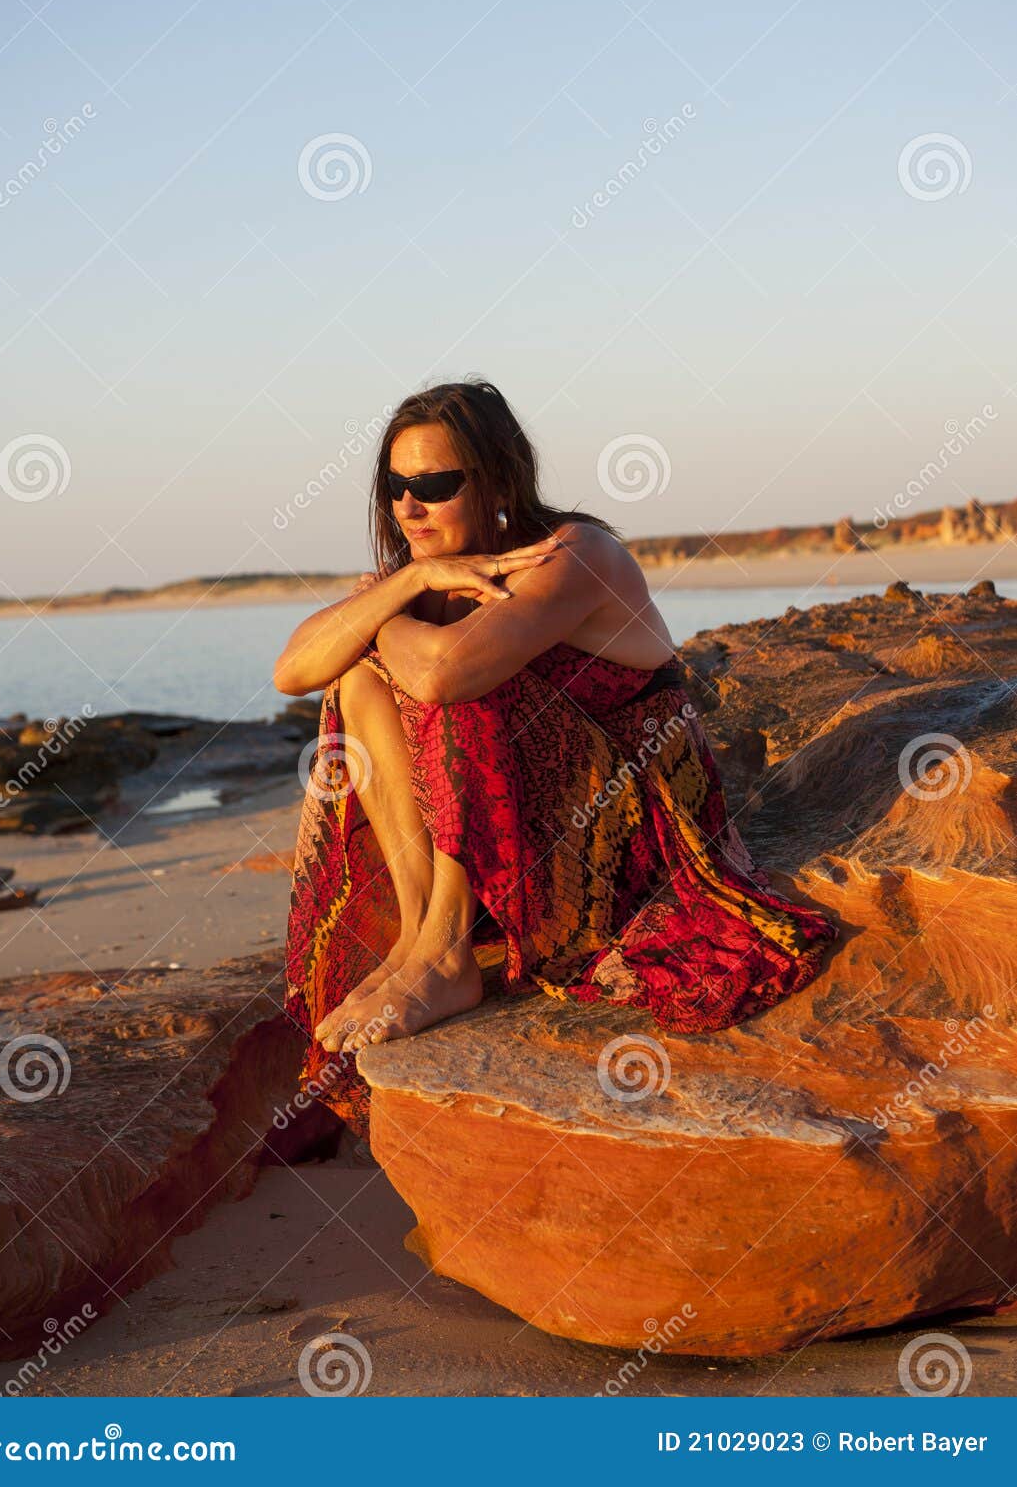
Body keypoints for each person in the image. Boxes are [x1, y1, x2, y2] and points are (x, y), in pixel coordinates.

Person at [276, 379, 838, 1138]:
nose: (409, 507)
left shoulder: (574, 553)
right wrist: (407, 584)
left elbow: (445, 675)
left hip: (631, 832)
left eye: (434, 486)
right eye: (395, 487)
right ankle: (420, 934)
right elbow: (293, 670)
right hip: (528, 830)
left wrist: (379, 615)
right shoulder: (426, 577)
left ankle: (448, 953)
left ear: (497, 480)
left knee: (465, 683)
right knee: (355, 682)